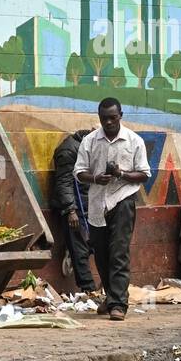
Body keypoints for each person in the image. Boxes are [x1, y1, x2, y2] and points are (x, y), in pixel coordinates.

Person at [74, 98, 150, 321]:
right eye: (104, 118)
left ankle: (118, 304)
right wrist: (96, 178)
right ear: (99, 118)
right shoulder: (89, 141)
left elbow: (144, 174)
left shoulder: (134, 141)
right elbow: (79, 172)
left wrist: (121, 174)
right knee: (101, 254)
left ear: (121, 115)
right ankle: (110, 296)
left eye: (112, 118)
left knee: (119, 251)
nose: (108, 122)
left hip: (123, 200)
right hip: (97, 203)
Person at [51, 128, 98, 296]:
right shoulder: (68, 150)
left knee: (93, 244)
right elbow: (64, 182)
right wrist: (70, 210)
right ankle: (88, 288)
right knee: (79, 248)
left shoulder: (92, 147)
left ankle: (71, 250)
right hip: (72, 206)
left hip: (89, 203)